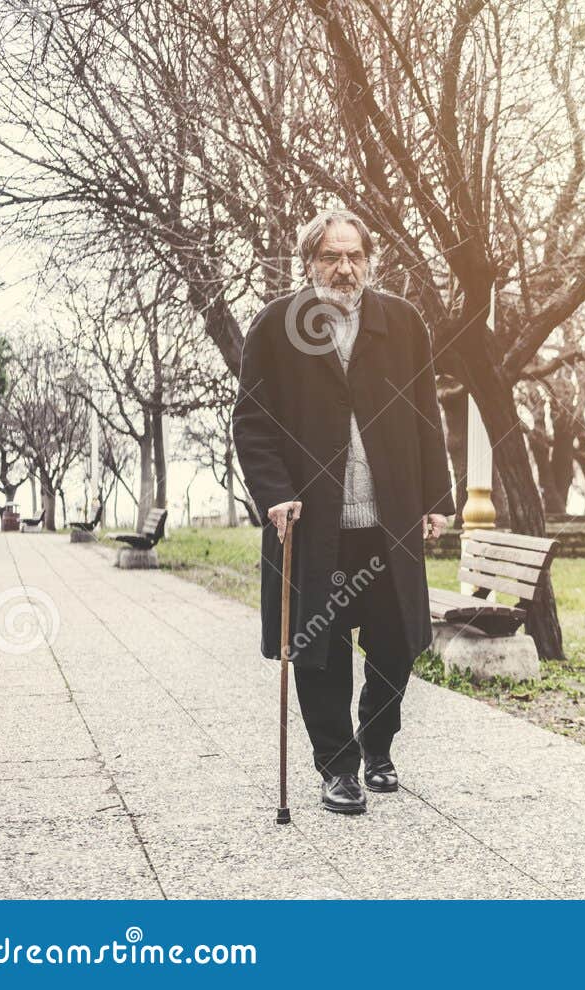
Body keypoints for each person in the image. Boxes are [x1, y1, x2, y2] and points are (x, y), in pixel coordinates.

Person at [232, 208, 455, 815]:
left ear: (370, 260)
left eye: (355, 255)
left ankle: (377, 747)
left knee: (395, 642)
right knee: (319, 646)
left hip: (388, 521)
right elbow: (252, 423)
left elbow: (425, 414)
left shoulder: (402, 323)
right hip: (312, 522)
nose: (345, 268)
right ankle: (337, 766)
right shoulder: (276, 326)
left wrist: (437, 498)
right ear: (309, 262)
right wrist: (274, 494)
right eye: (331, 256)